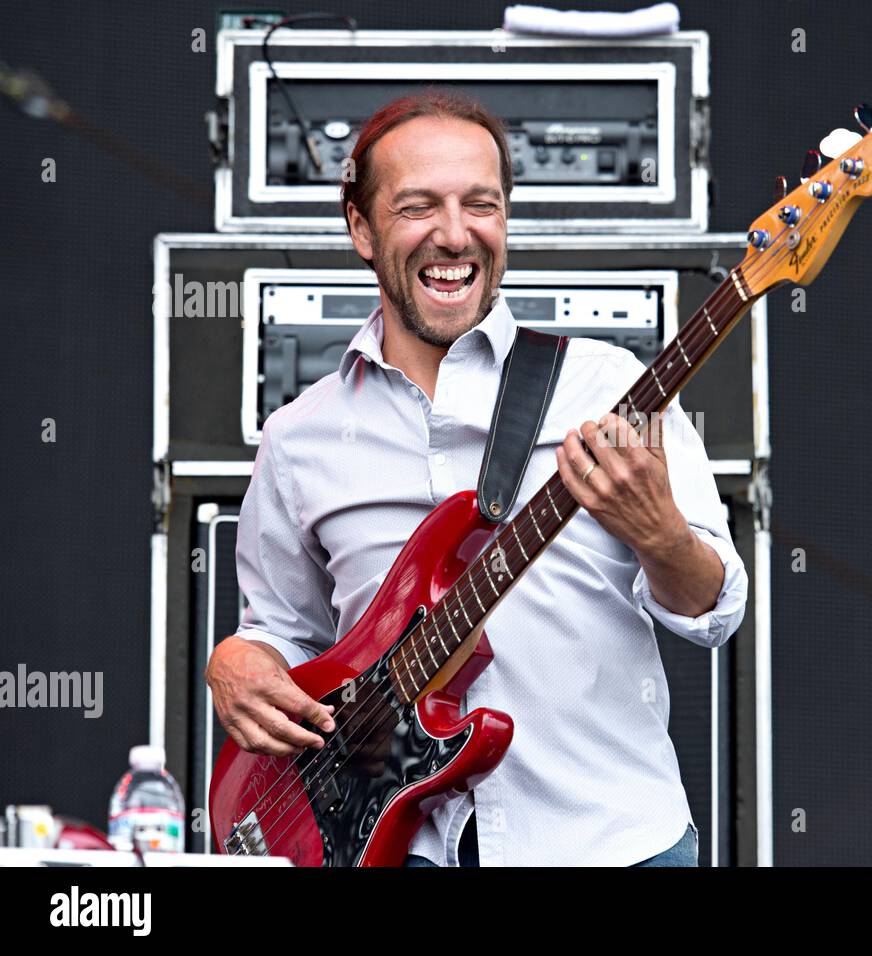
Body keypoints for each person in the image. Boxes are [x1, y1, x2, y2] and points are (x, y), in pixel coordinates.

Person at [204, 88, 748, 867]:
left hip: (609, 841)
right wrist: (237, 660)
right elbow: (283, 636)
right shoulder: (299, 438)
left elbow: (715, 609)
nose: (455, 236)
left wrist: (662, 537)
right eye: (418, 206)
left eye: (480, 205)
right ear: (361, 227)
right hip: (395, 846)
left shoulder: (611, 389)